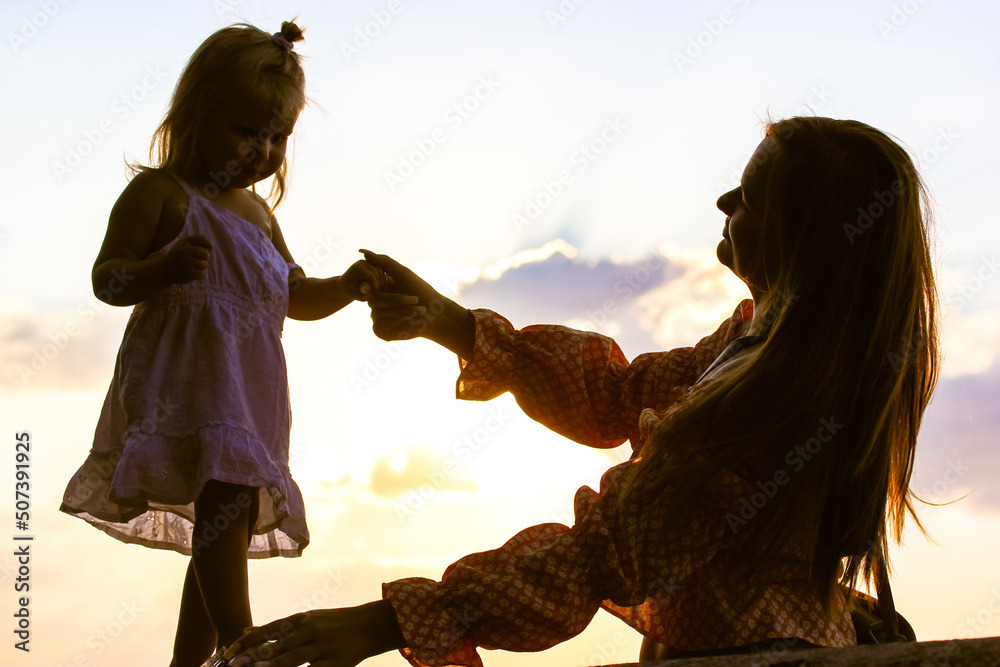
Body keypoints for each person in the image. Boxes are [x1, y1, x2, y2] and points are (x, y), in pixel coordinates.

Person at [224, 116, 939, 667]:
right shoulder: (745, 347)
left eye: (749, 194)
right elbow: (617, 393)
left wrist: (390, 619)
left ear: (803, 230)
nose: (723, 199)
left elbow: (605, 554)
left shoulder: (773, 402)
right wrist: (449, 322)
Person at [59, 21, 384, 667]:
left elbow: (296, 294)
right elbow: (108, 278)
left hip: (248, 389)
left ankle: (194, 657)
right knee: (225, 499)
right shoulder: (160, 194)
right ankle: (241, 640)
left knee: (224, 525)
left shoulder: (262, 216)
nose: (262, 149)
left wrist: (347, 286)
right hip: (188, 381)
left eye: (277, 136)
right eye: (246, 130)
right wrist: (160, 270)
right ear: (197, 113)